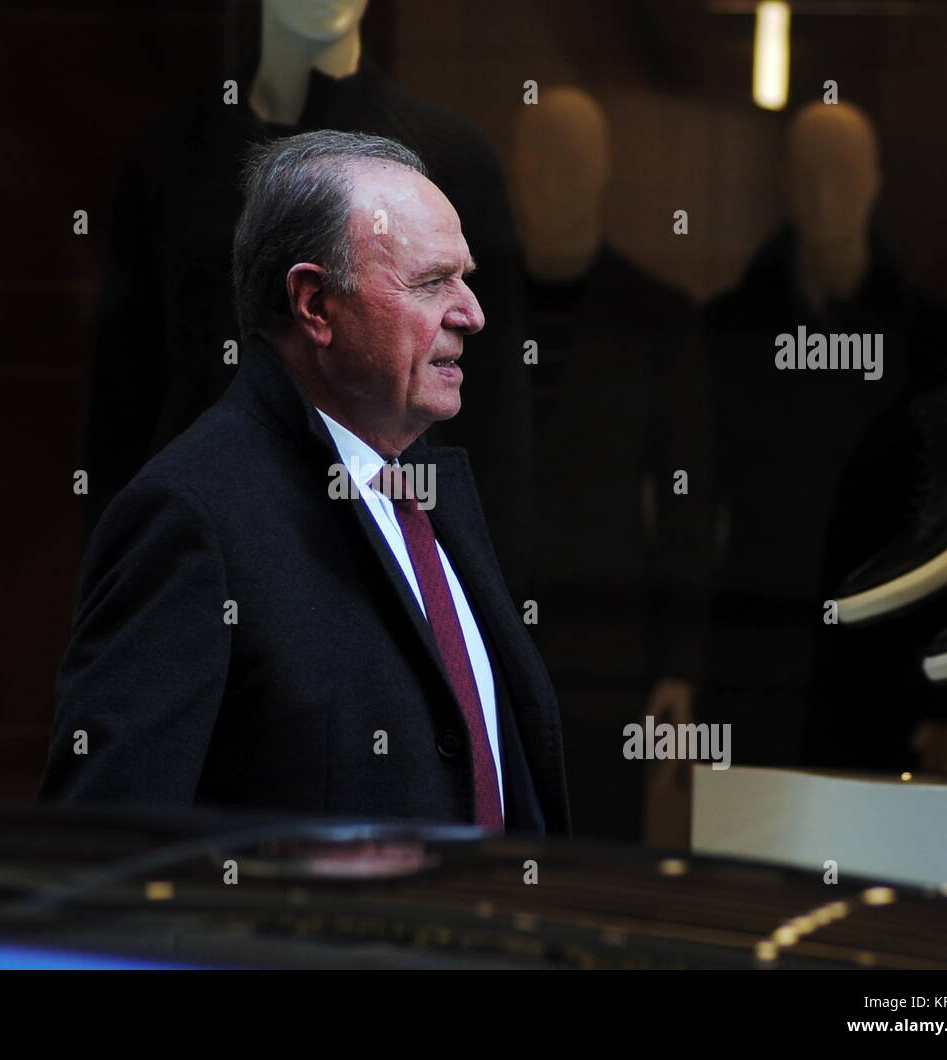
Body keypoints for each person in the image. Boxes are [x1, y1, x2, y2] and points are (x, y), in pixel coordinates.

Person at [38, 130, 570, 835]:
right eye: (432, 281)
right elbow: (101, 847)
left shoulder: (430, 498)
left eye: (465, 277)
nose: (471, 312)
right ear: (315, 304)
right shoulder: (192, 517)